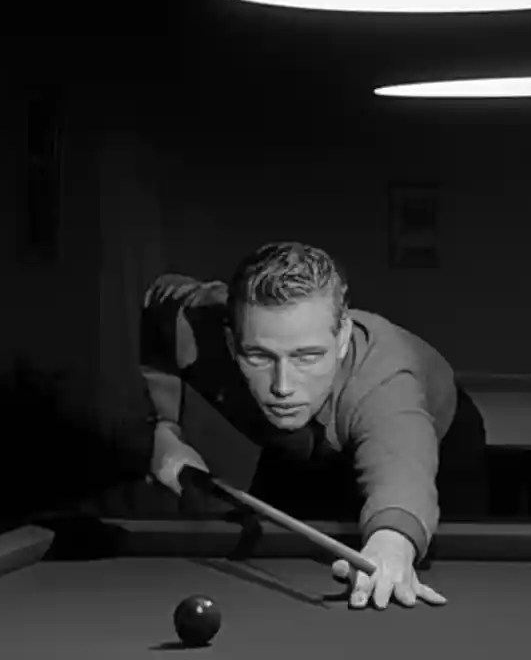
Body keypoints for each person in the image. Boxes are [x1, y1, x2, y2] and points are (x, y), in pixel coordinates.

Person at [140, 241, 488, 611]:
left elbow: (403, 471)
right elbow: (156, 307)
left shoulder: (383, 385)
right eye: (258, 356)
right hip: (299, 445)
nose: (283, 386)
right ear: (230, 340)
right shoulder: (196, 323)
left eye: (307, 356)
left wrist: (392, 543)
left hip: (444, 445)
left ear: (341, 340)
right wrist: (165, 427)